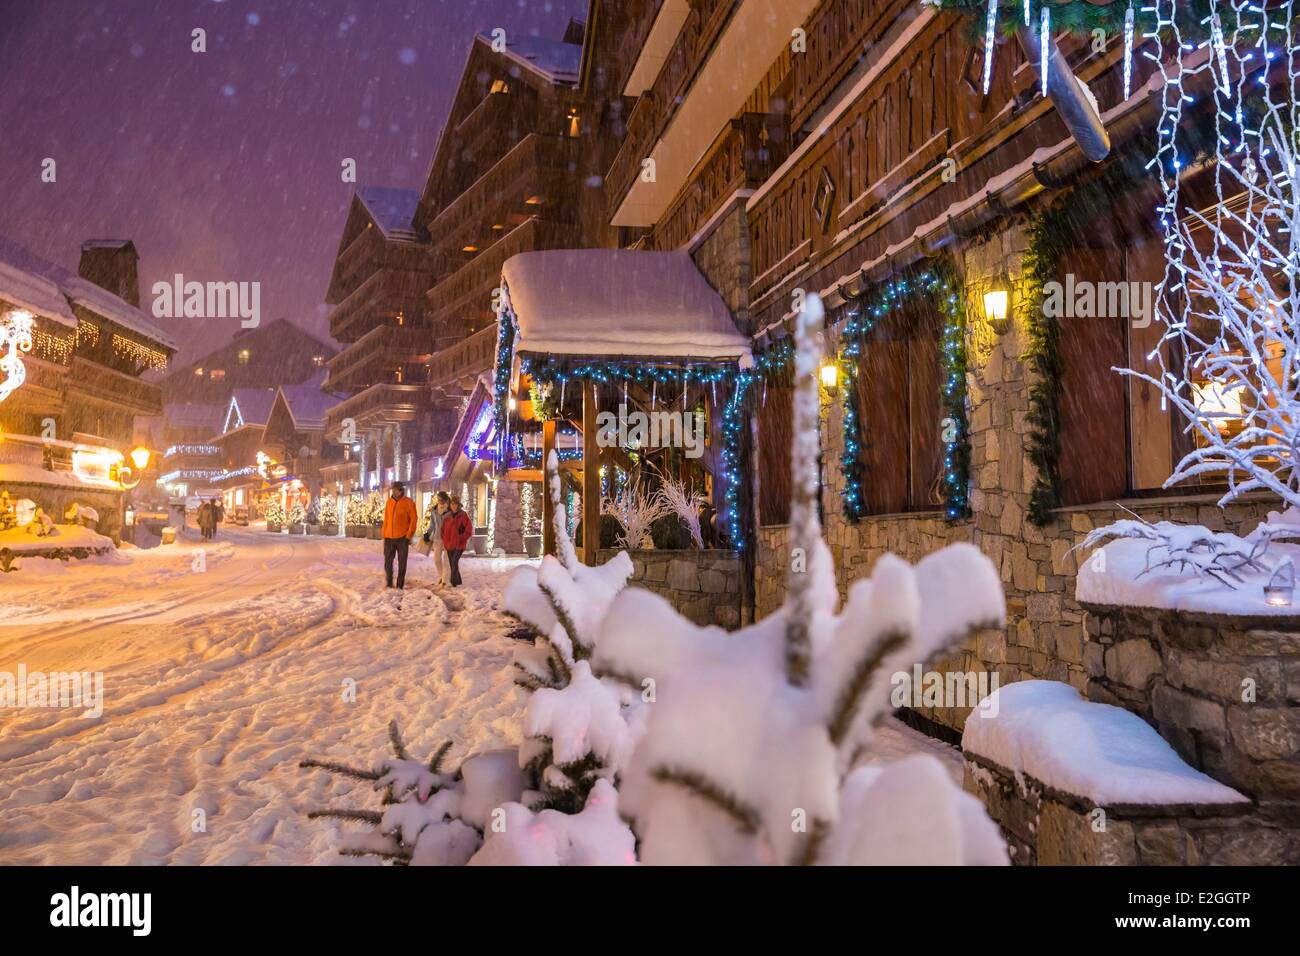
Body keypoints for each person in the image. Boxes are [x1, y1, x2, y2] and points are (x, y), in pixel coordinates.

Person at [382, 481, 418, 589]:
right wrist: (384, 534)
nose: (393, 491)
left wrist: (409, 535)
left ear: (401, 490)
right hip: (389, 537)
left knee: (402, 562)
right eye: (392, 489)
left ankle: (400, 584)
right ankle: (389, 582)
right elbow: (386, 519)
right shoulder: (389, 502)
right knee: (387, 562)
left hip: (402, 538)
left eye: (395, 489)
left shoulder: (409, 502)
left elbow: (414, 519)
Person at [440, 496, 473, 587]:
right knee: (452, 563)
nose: (453, 506)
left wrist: (461, 538)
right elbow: (442, 530)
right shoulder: (447, 517)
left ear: (458, 505)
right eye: (452, 504)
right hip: (449, 544)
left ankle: (453, 582)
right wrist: (445, 540)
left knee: (454, 562)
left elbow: (469, 530)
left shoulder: (463, 515)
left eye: (455, 504)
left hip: (459, 544)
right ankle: (458, 581)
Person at [422, 492, 451, 587]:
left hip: (448, 538)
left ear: (446, 500)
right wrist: (427, 533)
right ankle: (442, 576)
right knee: (436, 559)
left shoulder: (451, 511)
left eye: (442, 500)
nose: (440, 502)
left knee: (447, 560)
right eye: (439, 500)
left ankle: (445, 580)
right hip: (437, 538)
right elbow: (432, 525)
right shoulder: (434, 511)